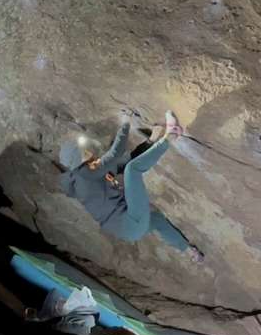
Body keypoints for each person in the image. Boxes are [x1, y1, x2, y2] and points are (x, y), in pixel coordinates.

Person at [60, 110, 204, 263]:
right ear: (78, 158)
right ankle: (171, 135)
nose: (87, 150)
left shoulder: (87, 176)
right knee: (132, 171)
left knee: (157, 220)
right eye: (82, 150)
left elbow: (125, 161)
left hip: (128, 230)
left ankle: (191, 252)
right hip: (129, 221)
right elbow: (116, 153)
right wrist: (126, 123)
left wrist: (151, 140)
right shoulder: (84, 175)